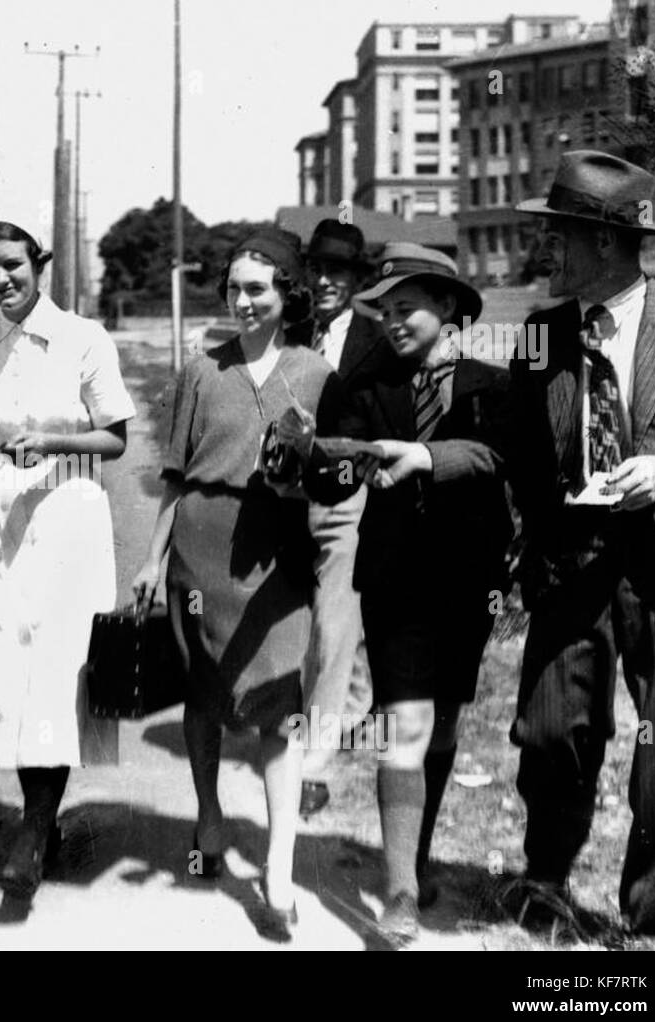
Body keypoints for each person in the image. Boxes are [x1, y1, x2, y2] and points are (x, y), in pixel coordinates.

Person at [504, 150, 655, 941]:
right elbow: (520, 449)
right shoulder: (544, 334)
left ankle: (649, 903)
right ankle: (544, 882)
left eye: (562, 236)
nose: (548, 250)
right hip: (569, 561)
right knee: (552, 732)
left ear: (609, 243)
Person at [295, 243, 512, 943]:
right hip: (393, 582)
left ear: (448, 307)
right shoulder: (362, 386)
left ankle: (411, 855)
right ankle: (399, 896)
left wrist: (423, 456)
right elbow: (336, 471)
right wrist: (314, 462)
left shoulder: (491, 386)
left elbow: (498, 458)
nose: (391, 322)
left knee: (441, 728)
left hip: (467, 585)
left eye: (405, 308)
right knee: (404, 730)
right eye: (382, 310)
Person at [133, 227, 340, 930]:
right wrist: (149, 559)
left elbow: (332, 473)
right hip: (201, 547)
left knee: (279, 705)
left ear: (288, 294)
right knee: (205, 696)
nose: (244, 301)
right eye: (234, 289)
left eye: (258, 289)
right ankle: (211, 815)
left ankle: (279, 870)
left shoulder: (316, 372)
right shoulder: (200, 370)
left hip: (278, 554)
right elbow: (172, 474)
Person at [0, 213, 135, 901]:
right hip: (2, 518)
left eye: (13, 265)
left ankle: (32, 831)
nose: (1, 278)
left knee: (60, 673)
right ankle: (39, 819)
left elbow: (115, 438)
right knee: (9, 672)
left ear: (40, 263)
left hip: (68, 514)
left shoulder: (84, 339)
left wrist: (55, 444)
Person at [289, 218, 386, 817]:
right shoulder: (295, 333)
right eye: (318, 268)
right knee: (326, 631)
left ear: (357, 278)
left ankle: (312, 768)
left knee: (331, 627)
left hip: (349, 500)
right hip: (291, 498)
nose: (326, 280)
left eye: (339, 271)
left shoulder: (378, 339)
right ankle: (352, 713)